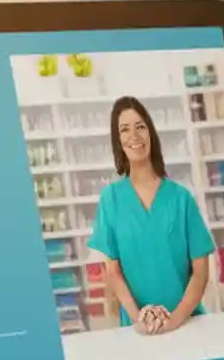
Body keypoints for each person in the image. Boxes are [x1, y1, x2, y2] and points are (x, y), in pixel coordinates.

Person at [89, 96, 215, 334]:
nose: (134, 136)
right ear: (118, 141)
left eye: (140, 127)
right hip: (138, 328)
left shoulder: (181, 198)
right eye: (124, 129)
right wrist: (140, 319)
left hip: (187, 324)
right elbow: (113, 272)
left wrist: (174, 321)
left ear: (150, 134)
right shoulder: (110, 199)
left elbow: (200, 272)